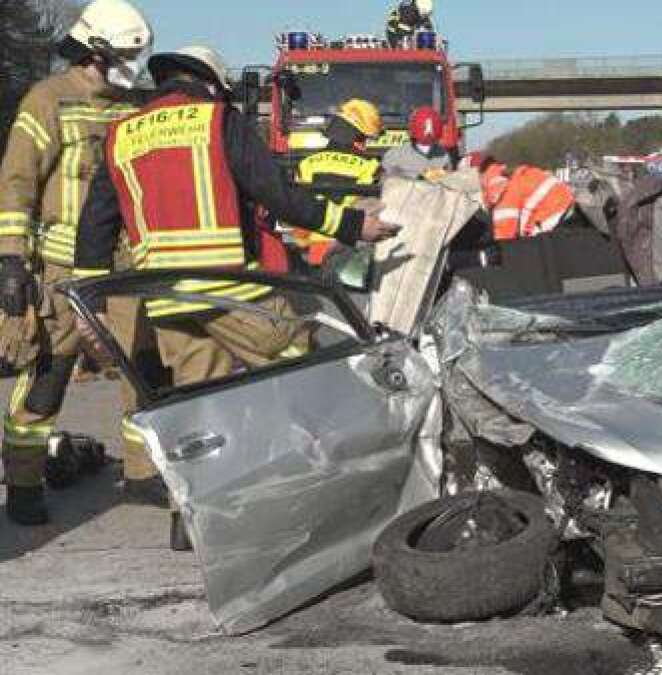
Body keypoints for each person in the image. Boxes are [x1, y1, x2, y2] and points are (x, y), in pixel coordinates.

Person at [73, 46, 399, 546]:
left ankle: (190, 523)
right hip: (232, 291)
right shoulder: (215, 120)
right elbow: (278, 195)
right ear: (209, 83)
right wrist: (356, 225)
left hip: (166, 301)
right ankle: (331, 492)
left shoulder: (123, 133)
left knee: (198, 416)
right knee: (302, 366)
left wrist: (89, 304)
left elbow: (96, 224)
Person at [0, 0, 153, 526]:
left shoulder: (132, 106)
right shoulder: (48, 100)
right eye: (128, 54)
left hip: (123, 269)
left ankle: (141, 476)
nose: (136, 65)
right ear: (96, 52)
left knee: (141, 374)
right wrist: (12, 262)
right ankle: (23, 484)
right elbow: (17, 182)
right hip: (61, 275)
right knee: (46, 379)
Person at [292, 99, 383, 267]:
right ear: (357, 137)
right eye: (366, 139)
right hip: (347, 251)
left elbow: (297, 205)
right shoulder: (371, 168)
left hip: (308, 249)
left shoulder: (307, 163)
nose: (366, 145)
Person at [382, 106, 453, 181]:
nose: (427, 145)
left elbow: (448, 182)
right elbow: (386, 183)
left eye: (430, 142)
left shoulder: (443, 156)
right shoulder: (395, 155)